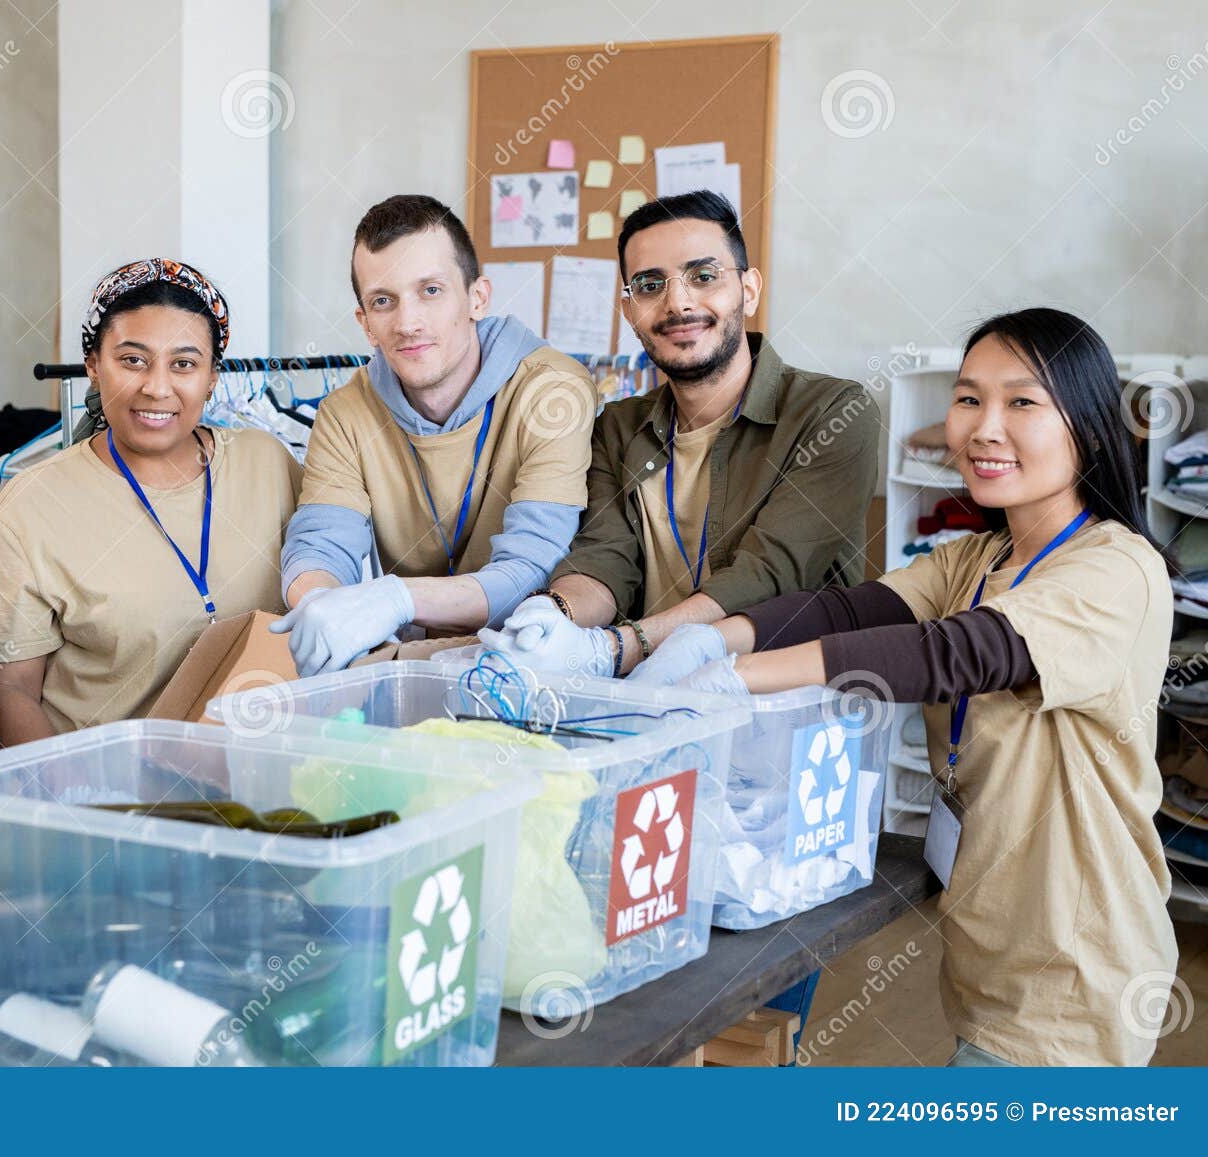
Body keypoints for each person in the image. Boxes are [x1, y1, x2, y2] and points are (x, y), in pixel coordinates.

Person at [644, 308, 1178, 1067]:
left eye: (1022, 402)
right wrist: (700, 636)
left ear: (1087, 426)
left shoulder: (1115, 568)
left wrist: (733, 679)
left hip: (1077, 970)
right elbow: (845, 609)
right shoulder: (980, 557)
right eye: (968, 399)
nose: (984, 427)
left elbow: (952, 652)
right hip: (992, 952)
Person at [480, 191, 879, 680]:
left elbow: (772, 574)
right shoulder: (617, 427)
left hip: (777, 706)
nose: (678, 303)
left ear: (749, 290)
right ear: (629, 311)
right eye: (649, 286)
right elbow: (605, 559)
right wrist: (551, 615)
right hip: (640, 705)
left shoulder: (833, 412)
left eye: (704, 276)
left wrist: (620, 648)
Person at [0, 259, 301, 743]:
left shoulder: (268, 465)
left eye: (184, 364)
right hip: (111, 797)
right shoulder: (29, 509)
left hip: (265, 782)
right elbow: (11, 691)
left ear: (212, 377)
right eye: (133, 360)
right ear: (94, 368)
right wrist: (75, 808)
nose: (157, 387)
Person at [274, 194, 598, 675]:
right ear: (365, 323)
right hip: (413, 666)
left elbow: (534, 572)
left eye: (430, 290)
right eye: (384, 301)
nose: (408, 323)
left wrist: (397, 599)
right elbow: (320, 545)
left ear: (477, 297)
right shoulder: (344, 413)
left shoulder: (554, 391)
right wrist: (322, 604)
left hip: (534, 660)